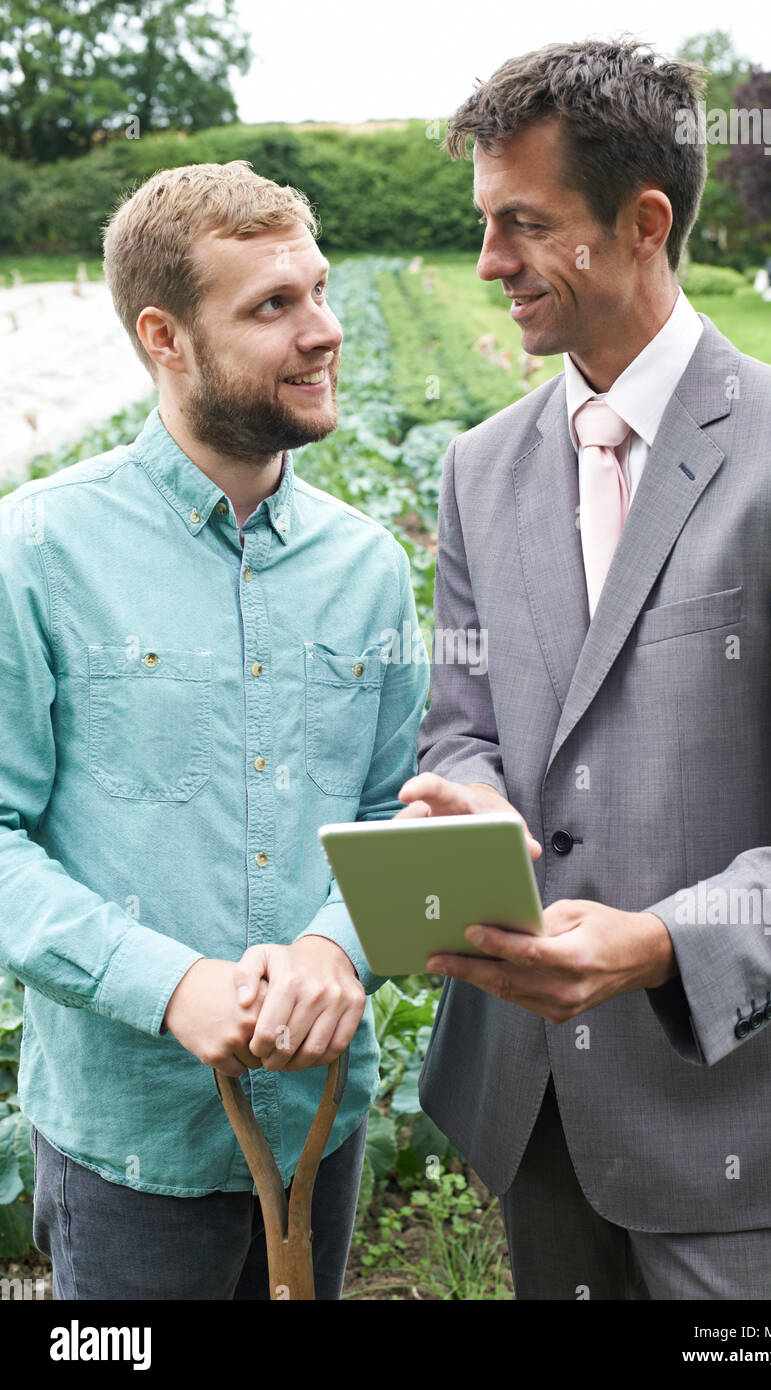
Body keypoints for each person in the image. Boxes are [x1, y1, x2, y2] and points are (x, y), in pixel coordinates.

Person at [398, 38, 771, 1299]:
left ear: (644, 222)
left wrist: (658, 941)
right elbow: (460, 730)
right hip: (532, 1116)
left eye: (522, 225)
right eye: (484, 224)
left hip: (735, 1118)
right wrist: (474, 801)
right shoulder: (478, 466)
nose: (489, 263)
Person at [0, 161, 429, 1299]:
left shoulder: (368, 567)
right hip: (128, 1151)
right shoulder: (38, 550)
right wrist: (167, 982)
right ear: (166, 337)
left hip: (321, 1130)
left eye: (320, 291)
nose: (323, 331)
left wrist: (341, 944)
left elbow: (398, 813)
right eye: (272, 307)